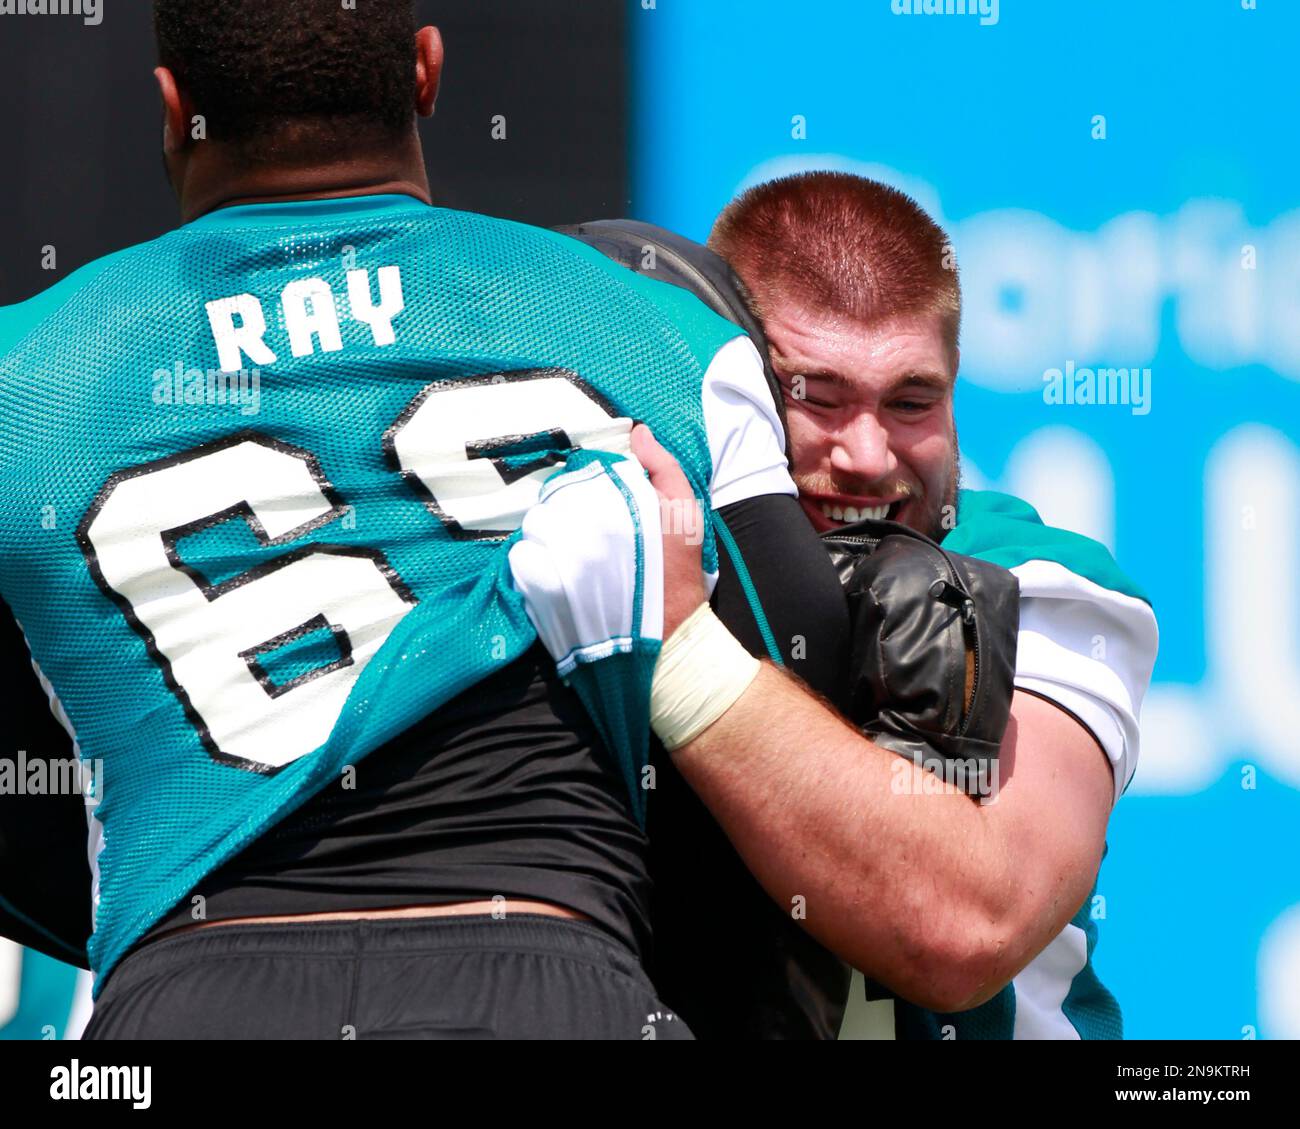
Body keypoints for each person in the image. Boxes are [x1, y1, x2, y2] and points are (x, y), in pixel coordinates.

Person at [0, 1, 851, 1039]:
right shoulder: (659, 329)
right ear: (428, 72)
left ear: (173, 108)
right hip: (553, 981)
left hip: (193, 992)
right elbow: (799, 656)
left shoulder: (23, 376)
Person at [515, 172, 1160, 1039]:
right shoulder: (597, 555)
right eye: (814, 395)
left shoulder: (1046, 580)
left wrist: (684, 652)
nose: (866, 454)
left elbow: (969, 925)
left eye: (911, 401)